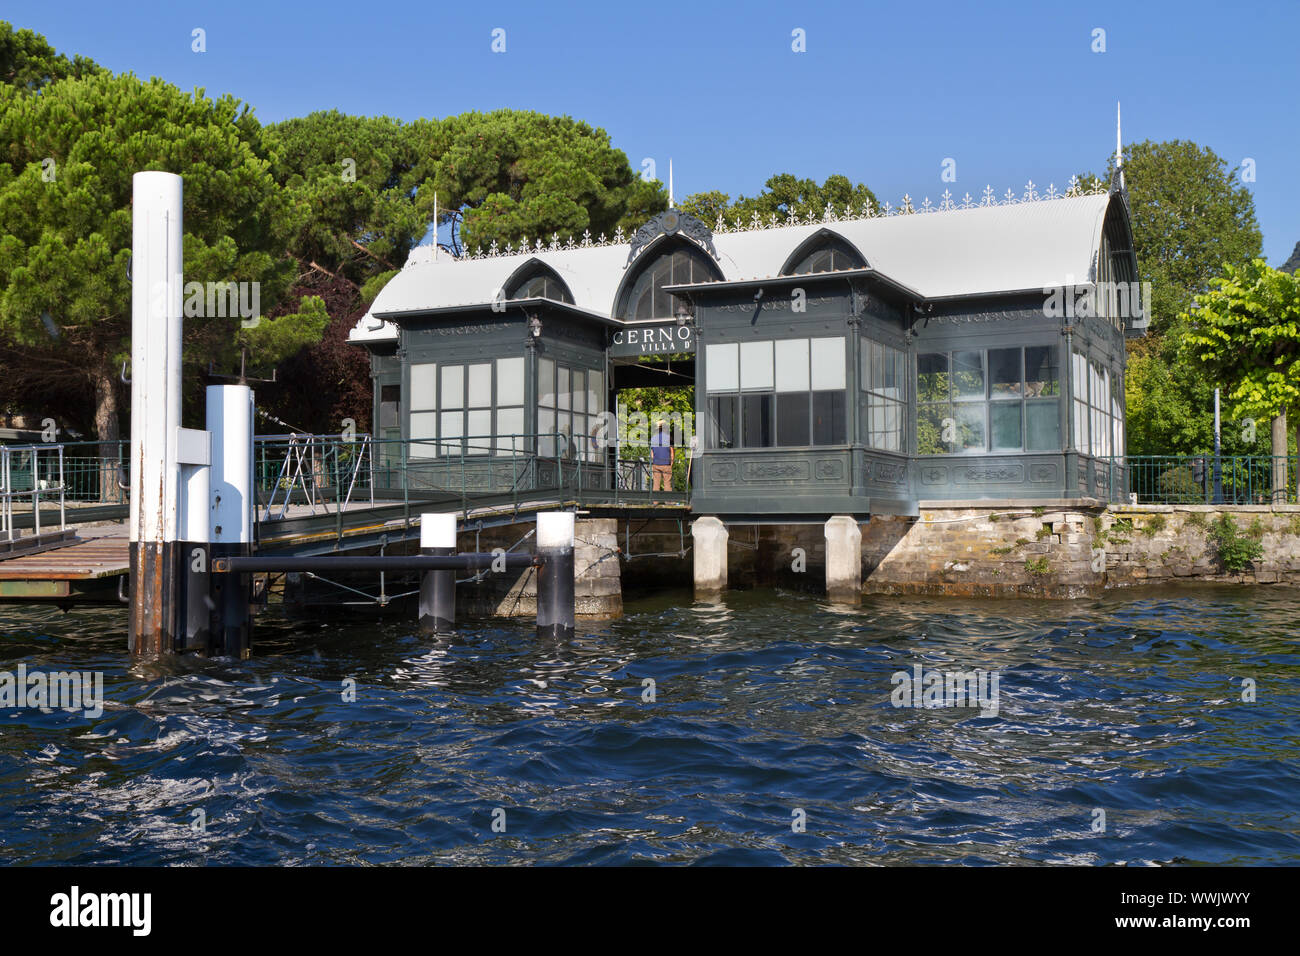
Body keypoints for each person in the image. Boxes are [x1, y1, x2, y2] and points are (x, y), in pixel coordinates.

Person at [650, 419, 673, 494]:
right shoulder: (669, 438)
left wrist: (653, 462)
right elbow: (672, 452)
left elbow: (652, 453)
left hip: (656, 463)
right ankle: (668, 501)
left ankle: (654, 502)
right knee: (667, 483)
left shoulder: (653, 438)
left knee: (656, 483)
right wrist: (671, 462)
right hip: (666, 463)